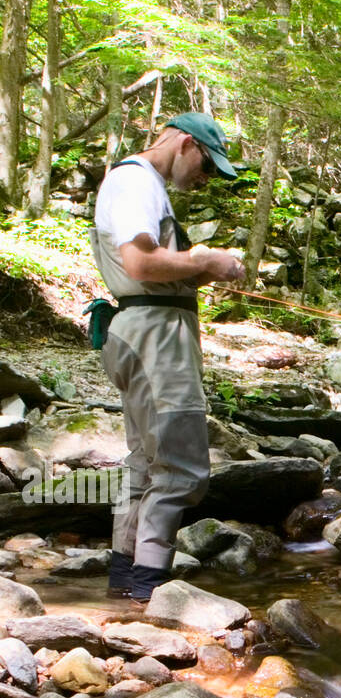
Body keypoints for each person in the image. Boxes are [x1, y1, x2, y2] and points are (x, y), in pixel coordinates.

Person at [89, 112, 246, 601]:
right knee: (181, 469)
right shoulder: (137, 183)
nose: (204, 178)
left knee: (145, 463)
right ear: (182, 143)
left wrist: (199, 272)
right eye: (206, 164)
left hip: (141, 329)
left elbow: (147, 266)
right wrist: (205, 260)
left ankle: (126, 584)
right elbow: (140, 263)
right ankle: (149, 587)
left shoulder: (132, 182)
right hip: (156, 336)